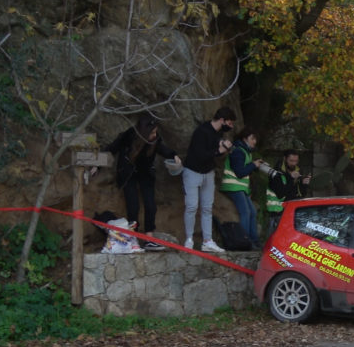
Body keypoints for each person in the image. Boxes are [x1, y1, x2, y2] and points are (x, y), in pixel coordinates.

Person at [104, 114, 180, 251]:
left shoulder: (155, 140)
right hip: (128, 173)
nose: (154, 135)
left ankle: (149, 238)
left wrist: (174, 155)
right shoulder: (130, 135)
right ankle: (133, 238)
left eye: (155, 132)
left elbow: (163, 149)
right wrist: (97, 165)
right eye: (152, 132)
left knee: (151, 206)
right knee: (133, 206)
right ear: (144, 132)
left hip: (145, 173)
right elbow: (113, 147)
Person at [181, 106, 236, 252]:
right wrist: (219, 150)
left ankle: (207, 241)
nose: (230, 127)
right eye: (229, 123)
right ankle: (189, 239)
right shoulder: (202, 131)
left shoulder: (218, 133)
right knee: (192, 206)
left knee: (207, 207)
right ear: (222, 120)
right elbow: (201, 155)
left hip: (208, 173)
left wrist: (222, 148)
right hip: (192, 171)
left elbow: (214, 154)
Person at [220, 128, 264, 248]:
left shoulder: (246, 152)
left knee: (252, 212)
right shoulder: (238, 151)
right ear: (244, 139)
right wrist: (253, 165)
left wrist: (254, 165)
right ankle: (245, 241)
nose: (254, 141)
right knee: (246, 212)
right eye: (252, 138)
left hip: (239, 188)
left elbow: (244, 171)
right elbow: (240, 172)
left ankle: (254, 240)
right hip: (232, 186)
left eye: (255, 139)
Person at [266, 149, 302, 234]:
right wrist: (291, 178)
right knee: (274, 237)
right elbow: (280, 193)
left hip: (291, 212)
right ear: (285, 159)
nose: (294, 163)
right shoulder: (276, 174)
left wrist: (304, 184)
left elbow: (299, 193)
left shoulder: (298, 171)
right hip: (277, 213)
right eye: (291, 161)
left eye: (296, 161)